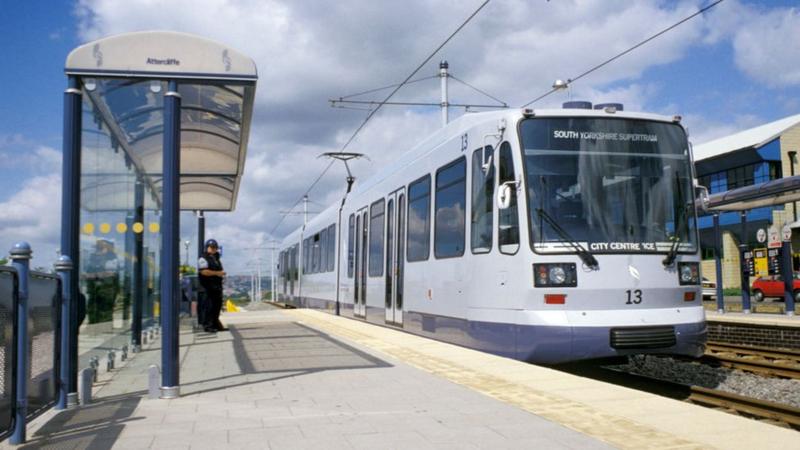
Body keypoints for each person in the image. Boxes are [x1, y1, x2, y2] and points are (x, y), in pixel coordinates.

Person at [198, 239, 227, 332]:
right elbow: (204, 272)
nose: (214, 249)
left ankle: (215, 324)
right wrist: (218, 273)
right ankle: (208, 326)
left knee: (216, 306)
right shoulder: (203, 258)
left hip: (216, 287)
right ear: (207, 247)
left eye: (215, 247)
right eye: (212, 247)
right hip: (207, 287)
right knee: (208, 307)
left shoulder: (216, 259)